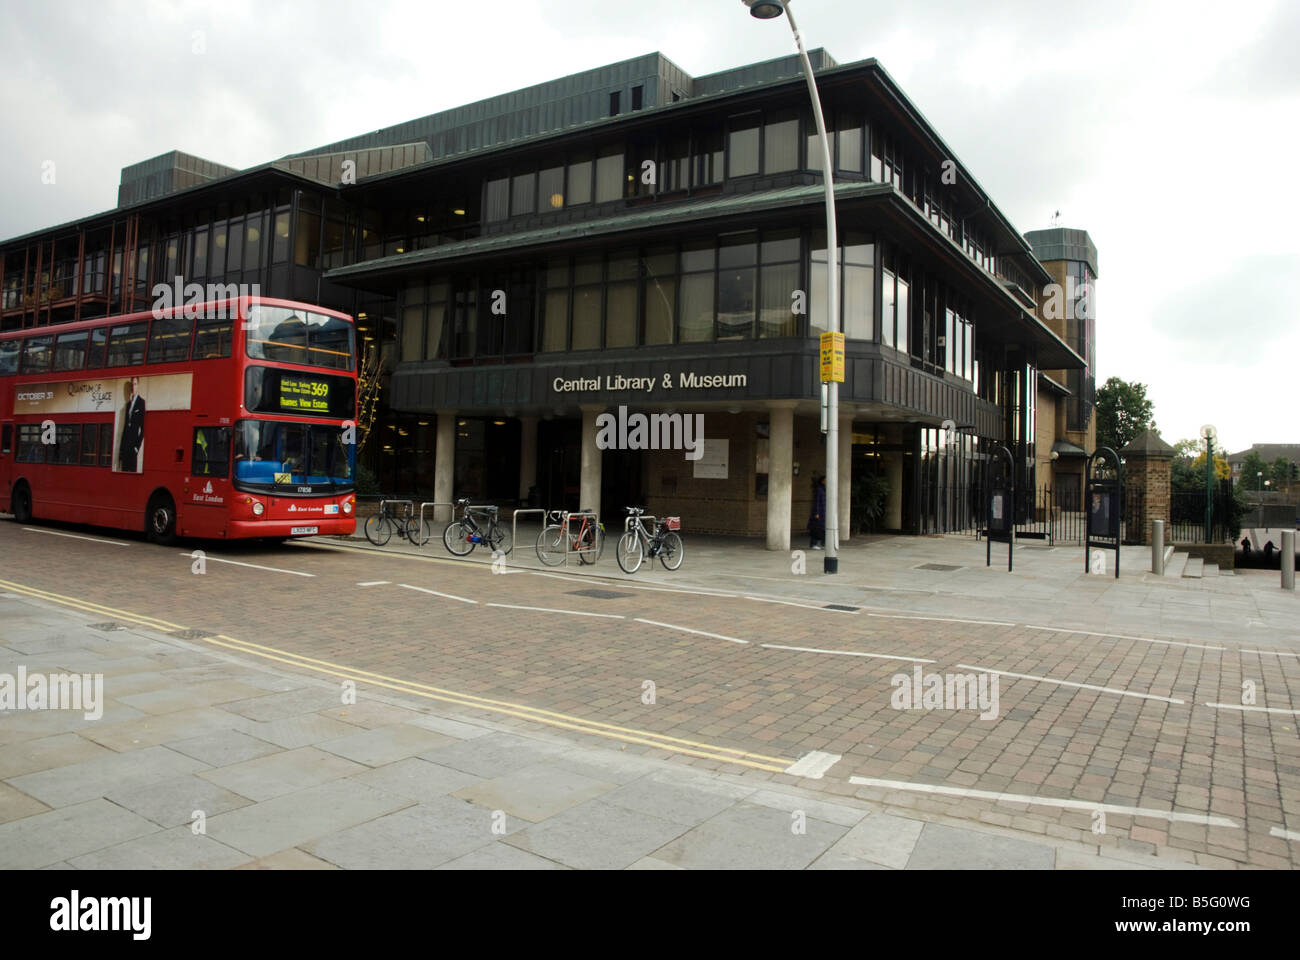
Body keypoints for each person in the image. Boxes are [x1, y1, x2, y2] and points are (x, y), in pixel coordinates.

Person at [116, 376, 145, 473]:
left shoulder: (141, 403)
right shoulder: (128, 405)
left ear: (138, 386)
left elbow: (143, 428)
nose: (133, 387)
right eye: (132, 384)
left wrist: (136, 447)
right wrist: (121, 450)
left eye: (135, 384)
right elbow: (125, 428)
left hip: (133, 449)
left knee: (132, 476)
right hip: (125, 448)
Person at [808, 475, 826, 550]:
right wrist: (816, 513)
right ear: (822, 481)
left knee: (822, 529)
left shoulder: (824, 489)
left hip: (823, 512)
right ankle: (813, 543)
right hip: (819, 512)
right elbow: (817, 502)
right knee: (816, 528)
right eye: (826, 480)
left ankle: (823, 543)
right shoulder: (819, 489)